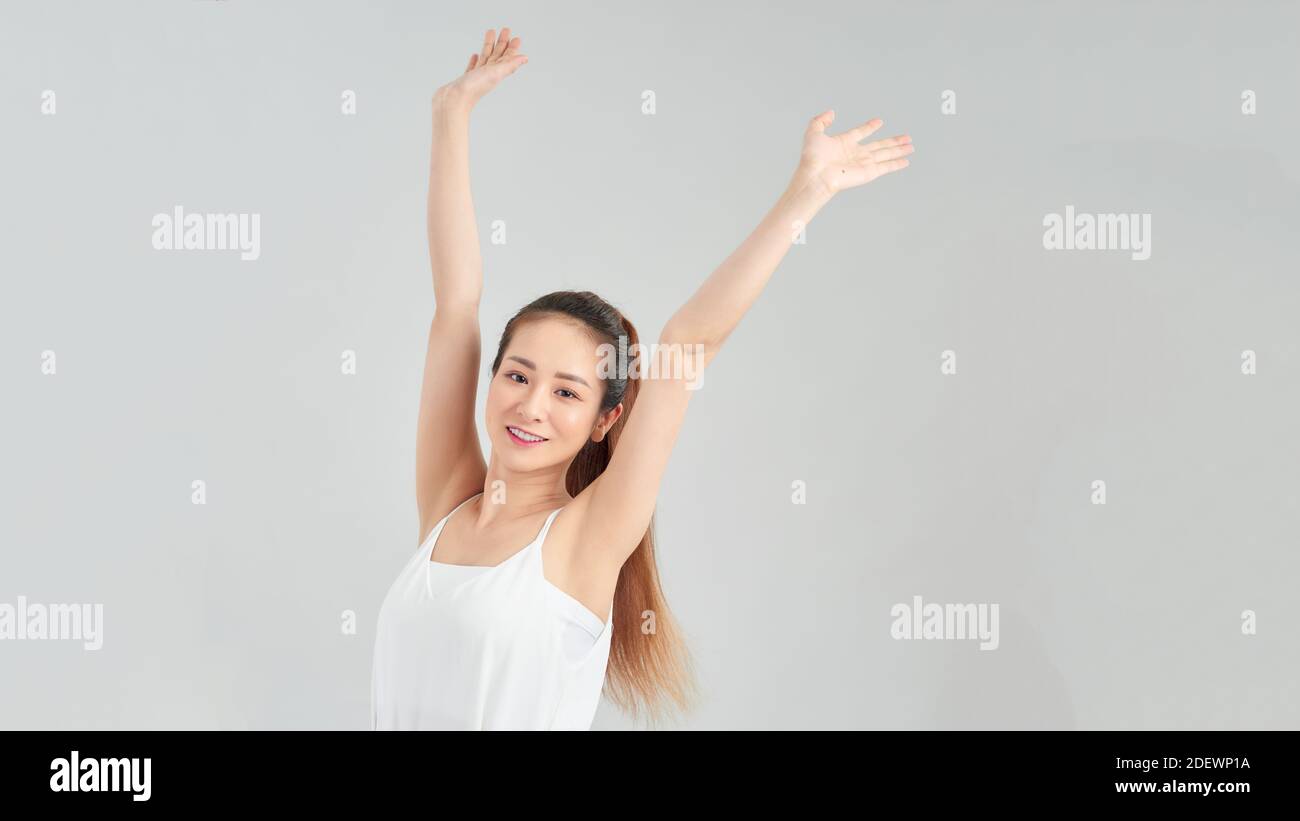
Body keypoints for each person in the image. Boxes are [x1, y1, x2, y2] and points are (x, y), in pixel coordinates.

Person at [370, 26, 915, 730]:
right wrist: (451, 113)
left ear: (605, 420)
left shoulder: (585, 537)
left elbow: (688, 342)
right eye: (517, 374)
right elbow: (456, 304)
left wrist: (804, 196)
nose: (530, 405)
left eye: (567, 391)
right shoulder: (446, 504)